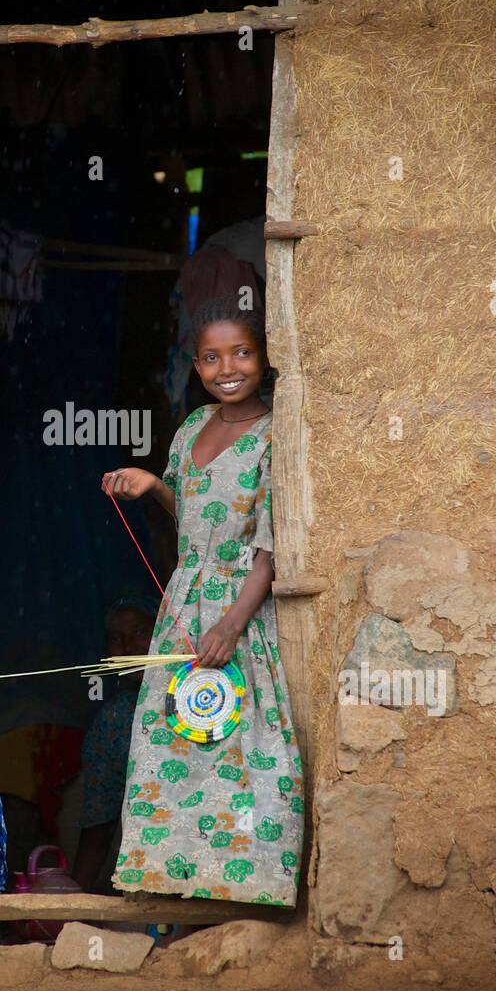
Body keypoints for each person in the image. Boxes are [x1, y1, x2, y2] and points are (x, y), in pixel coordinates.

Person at [101, 294, 304, 906]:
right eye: (212, 357)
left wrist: (231, 626)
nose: (227, 367)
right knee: (175, 736)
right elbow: (192, 516)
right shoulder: (192, 427)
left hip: (238, 605)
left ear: (265, 358)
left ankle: (244, 886)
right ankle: (169, 879)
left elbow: (270, 545)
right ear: (195, 365)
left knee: (238, 738)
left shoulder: (275, 432)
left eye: (241, 352)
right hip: (182, 604)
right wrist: (153, 485)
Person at [72, 592, 159, 891]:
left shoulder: (194, 698)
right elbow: (101, 817)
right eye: (115, 638)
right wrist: (71, 900)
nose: (129, 647)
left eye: (140, 632)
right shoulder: (111, 722)